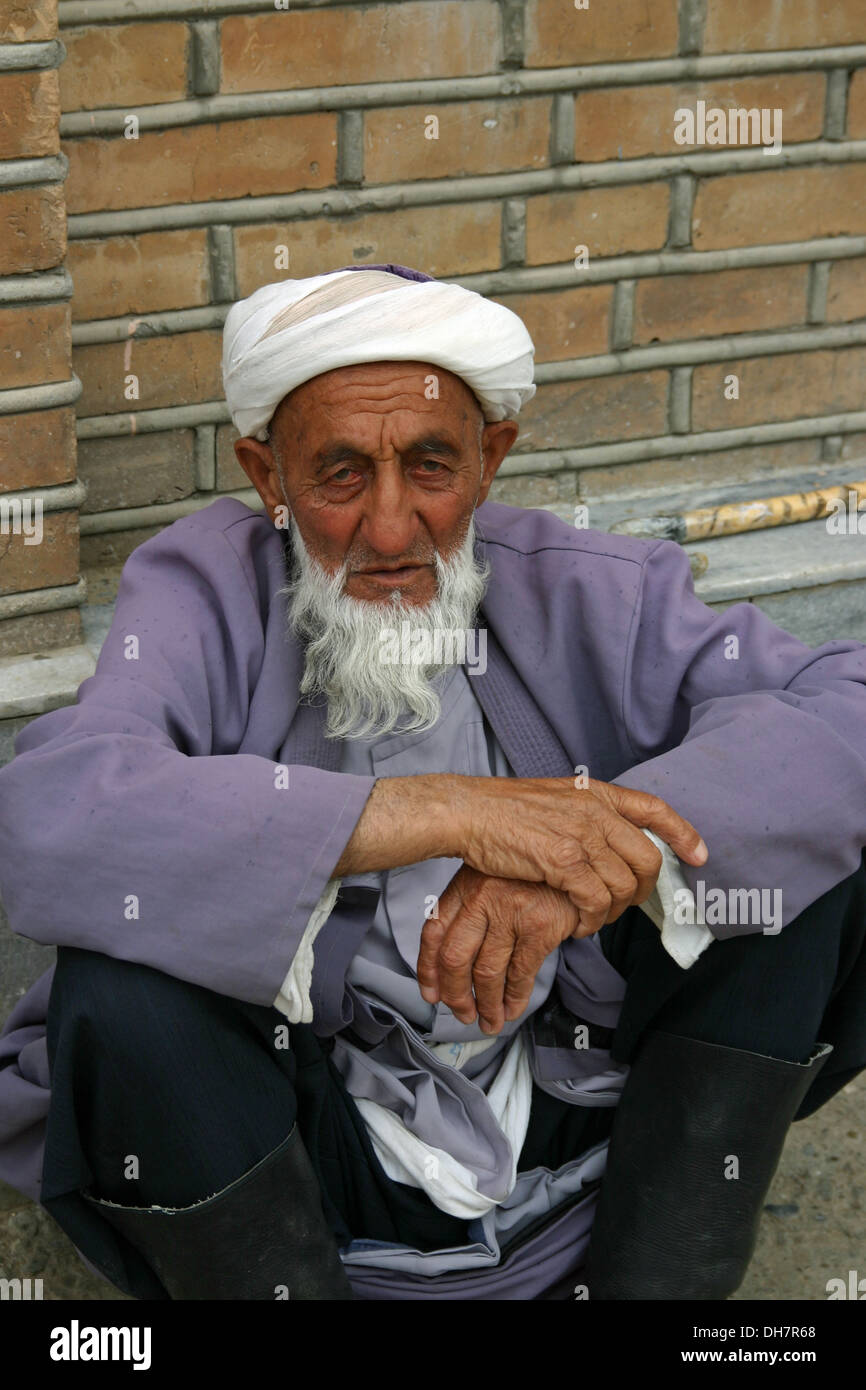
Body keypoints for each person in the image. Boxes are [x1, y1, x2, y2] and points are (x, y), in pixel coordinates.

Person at [0, 263, 864, 1301]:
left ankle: (661, 1283)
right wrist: (444, 812)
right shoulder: (203, 595)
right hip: (317, 1139)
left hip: (574, 1103)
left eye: (429, 464)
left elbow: (844, 702)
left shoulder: (580, 587)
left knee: (799, 858)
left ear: (489, 459)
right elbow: (51, 815)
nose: (393, 528)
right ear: (267, 478)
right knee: (121, 993)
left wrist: (599, 858)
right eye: (340, 475)